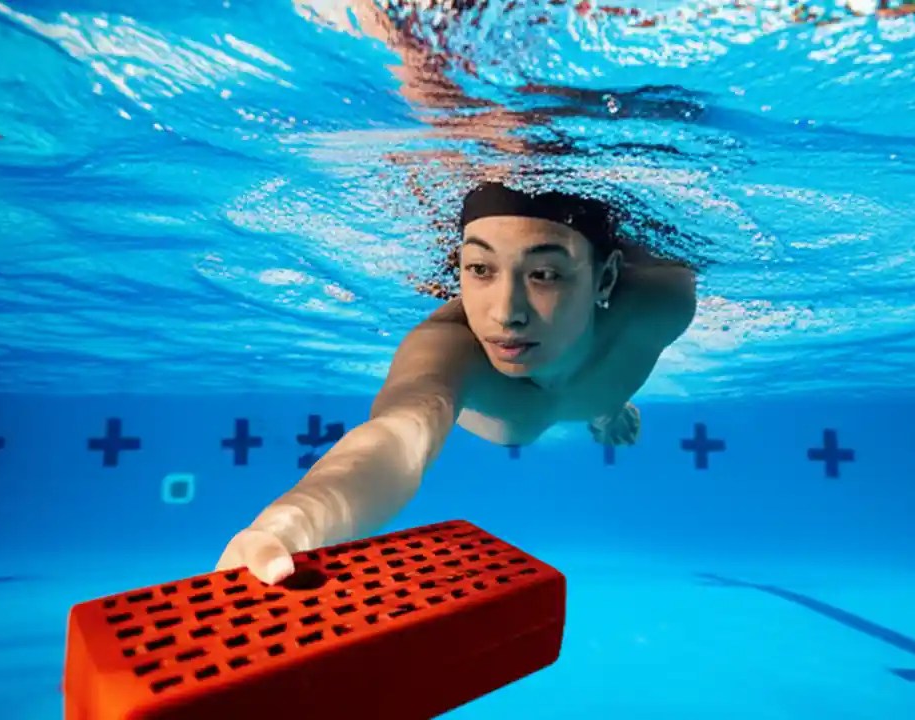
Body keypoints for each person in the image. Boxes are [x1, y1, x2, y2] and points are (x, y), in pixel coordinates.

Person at [216, 181, 697, 584]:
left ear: (606, 279)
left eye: (544, 274)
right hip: (562, 393)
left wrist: (609, 404)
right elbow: (402, 432)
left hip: (597, 388)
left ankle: (605, 412)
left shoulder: (660, 304)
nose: (506, 313)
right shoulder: (451, 347)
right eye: (480, 269)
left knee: (602, 396)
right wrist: (294, 521)